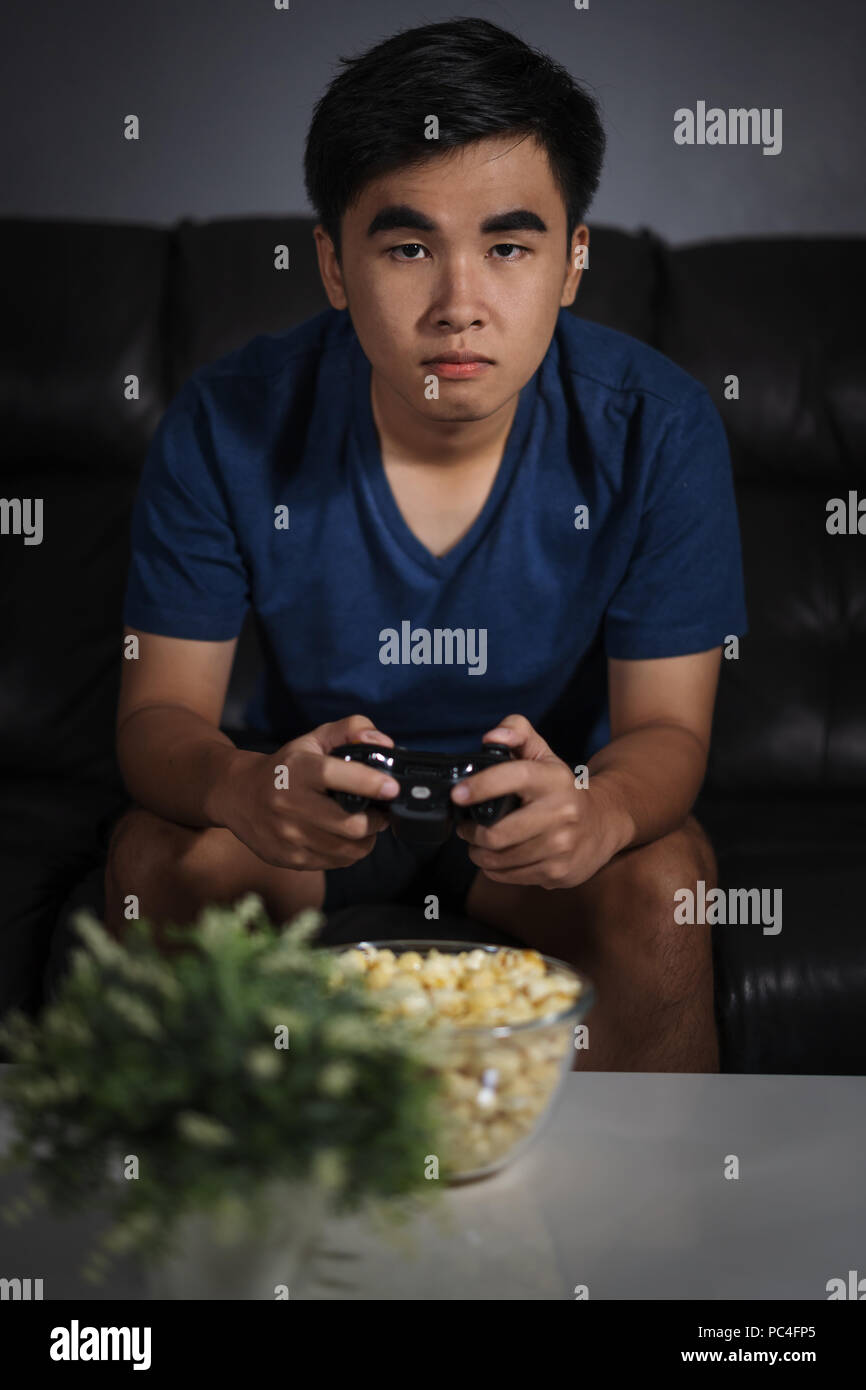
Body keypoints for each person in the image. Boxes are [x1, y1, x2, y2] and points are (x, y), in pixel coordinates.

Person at [105, 18, 748, 1072]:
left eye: (507, 246)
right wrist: (244, 787)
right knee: (154, 855)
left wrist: (597, 810)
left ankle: (645, 1229)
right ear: (332, 263)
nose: (460, 307)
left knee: (658, 878)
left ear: (572, 261)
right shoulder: (228, 420)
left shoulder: (656, 425)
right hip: (310, 815)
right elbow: (159, 717)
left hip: (531, 822)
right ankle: (212, 1226)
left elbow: (666, 736)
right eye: (407, 248)